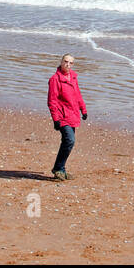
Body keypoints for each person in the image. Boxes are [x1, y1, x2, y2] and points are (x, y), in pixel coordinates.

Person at [47, 53, 87, 181]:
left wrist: (83, 109)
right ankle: (58, 168)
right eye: (65, 61)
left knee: (68, 142)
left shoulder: (73, 77)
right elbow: (52, 101)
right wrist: (56, 119)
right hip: (62, 116)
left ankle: (61, 169)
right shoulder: (55, 79)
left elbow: (78, 95)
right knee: (70, 140)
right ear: (61, 62)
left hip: (73, 114)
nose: (67, 64)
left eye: (70, 63)